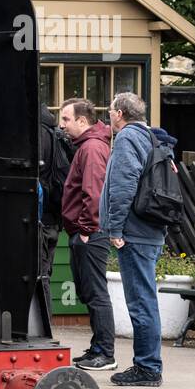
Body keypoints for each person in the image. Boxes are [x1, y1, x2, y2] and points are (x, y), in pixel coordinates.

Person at [99, 91, 173, 386]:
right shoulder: (154, 137)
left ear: (119, 113)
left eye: (110, 110)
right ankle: (148, 365)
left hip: (134, 232)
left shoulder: (128, 138)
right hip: (152, 230)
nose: (109, 115)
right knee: (146, 298)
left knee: (141, 301)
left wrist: (115, 229)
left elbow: (123, 184)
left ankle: (147, 368)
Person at [58, 98, 114, 370]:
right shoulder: (87, 146)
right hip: (87, 230)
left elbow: (94, 191)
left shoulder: (91, 148)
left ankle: (105, 353)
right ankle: (97, 348)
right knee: (89, 291)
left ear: (83, 121)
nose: (62, 124)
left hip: (90, 233)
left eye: (66, 119)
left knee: (95, 293)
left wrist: (86, 229)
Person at [36, 106, 69, 322]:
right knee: (45, 273)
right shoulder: (56, 134)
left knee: (39, 276)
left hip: (40, 219)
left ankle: (43, 326)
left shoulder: (36, 134)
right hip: (54, 219)